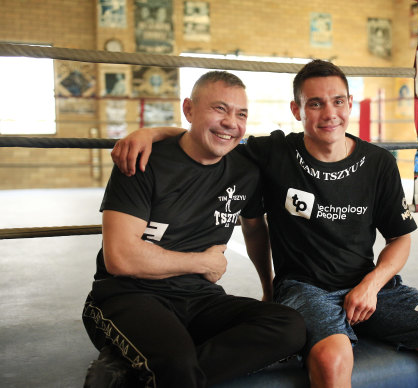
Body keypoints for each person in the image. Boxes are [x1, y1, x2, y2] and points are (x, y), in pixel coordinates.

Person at [112, 60, 418, 387]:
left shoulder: (378, 163)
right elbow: (212, 135)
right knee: (332, 359)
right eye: (315, 103)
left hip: (370, 284)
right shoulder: (274, 153)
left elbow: (400, 239)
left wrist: (371, 285)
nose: (330, 113)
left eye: (338, 101)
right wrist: (151, 133)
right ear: (296, 110)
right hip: (305, 288)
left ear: (350, 104)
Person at [82, 71, 306, 388]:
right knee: (177, 362)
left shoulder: (245, 170)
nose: (231, 122)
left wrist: (269, 290)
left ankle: (130, 373)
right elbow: (120, 258)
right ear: (189, 109)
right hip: (128, 296)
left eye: (241, 113)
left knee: (290, 326)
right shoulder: (143, 160)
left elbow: (255, 229)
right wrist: (201, 262)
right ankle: (171, 366)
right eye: (219, 108)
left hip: (199, 298)